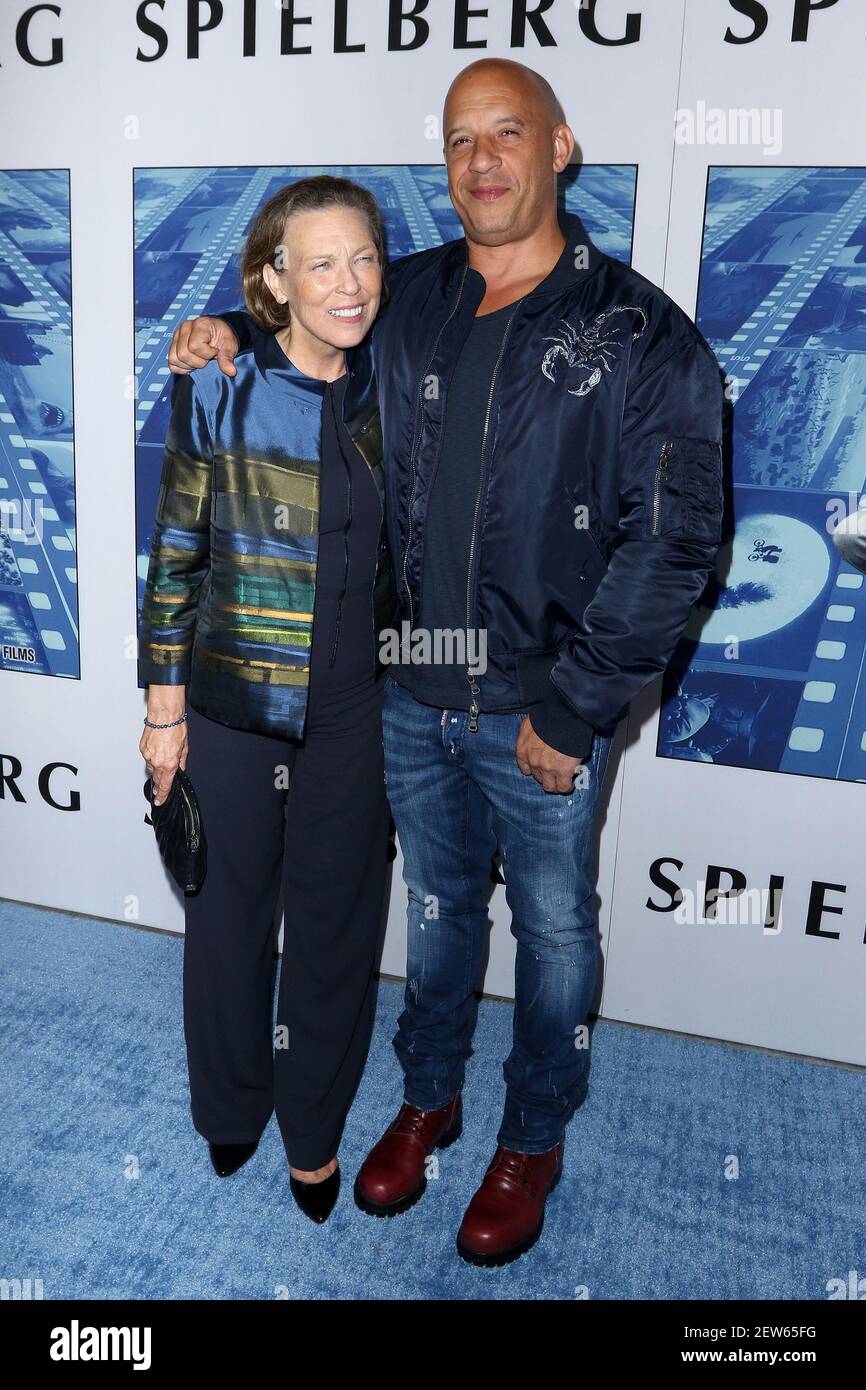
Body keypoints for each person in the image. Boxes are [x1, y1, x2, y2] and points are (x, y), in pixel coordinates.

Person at [168, 58, 725, 1265]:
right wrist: (220, 324)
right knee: (431, 925)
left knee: (556, 935)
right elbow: (311, 303)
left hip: (541, 710)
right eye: (460, 136)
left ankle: (531, 1135)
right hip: (409, 699)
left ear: (559, 148)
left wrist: (575, 712)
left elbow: (674, 543)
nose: (481, 157)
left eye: (506, 131)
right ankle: (430, 1099)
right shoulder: (408, 294)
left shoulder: (641, 334)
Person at [139, 175, 396, 1224]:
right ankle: (231, 1105)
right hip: (232, 699)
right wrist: (163, 713)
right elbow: (176, 556)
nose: (349, 283)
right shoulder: (222, 385)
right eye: (319, 263)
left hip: (358, 707)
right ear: (273, 280)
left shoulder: (394, 380)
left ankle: (315, 1131)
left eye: (365, 258)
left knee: (338, 923)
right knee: (228, 918)